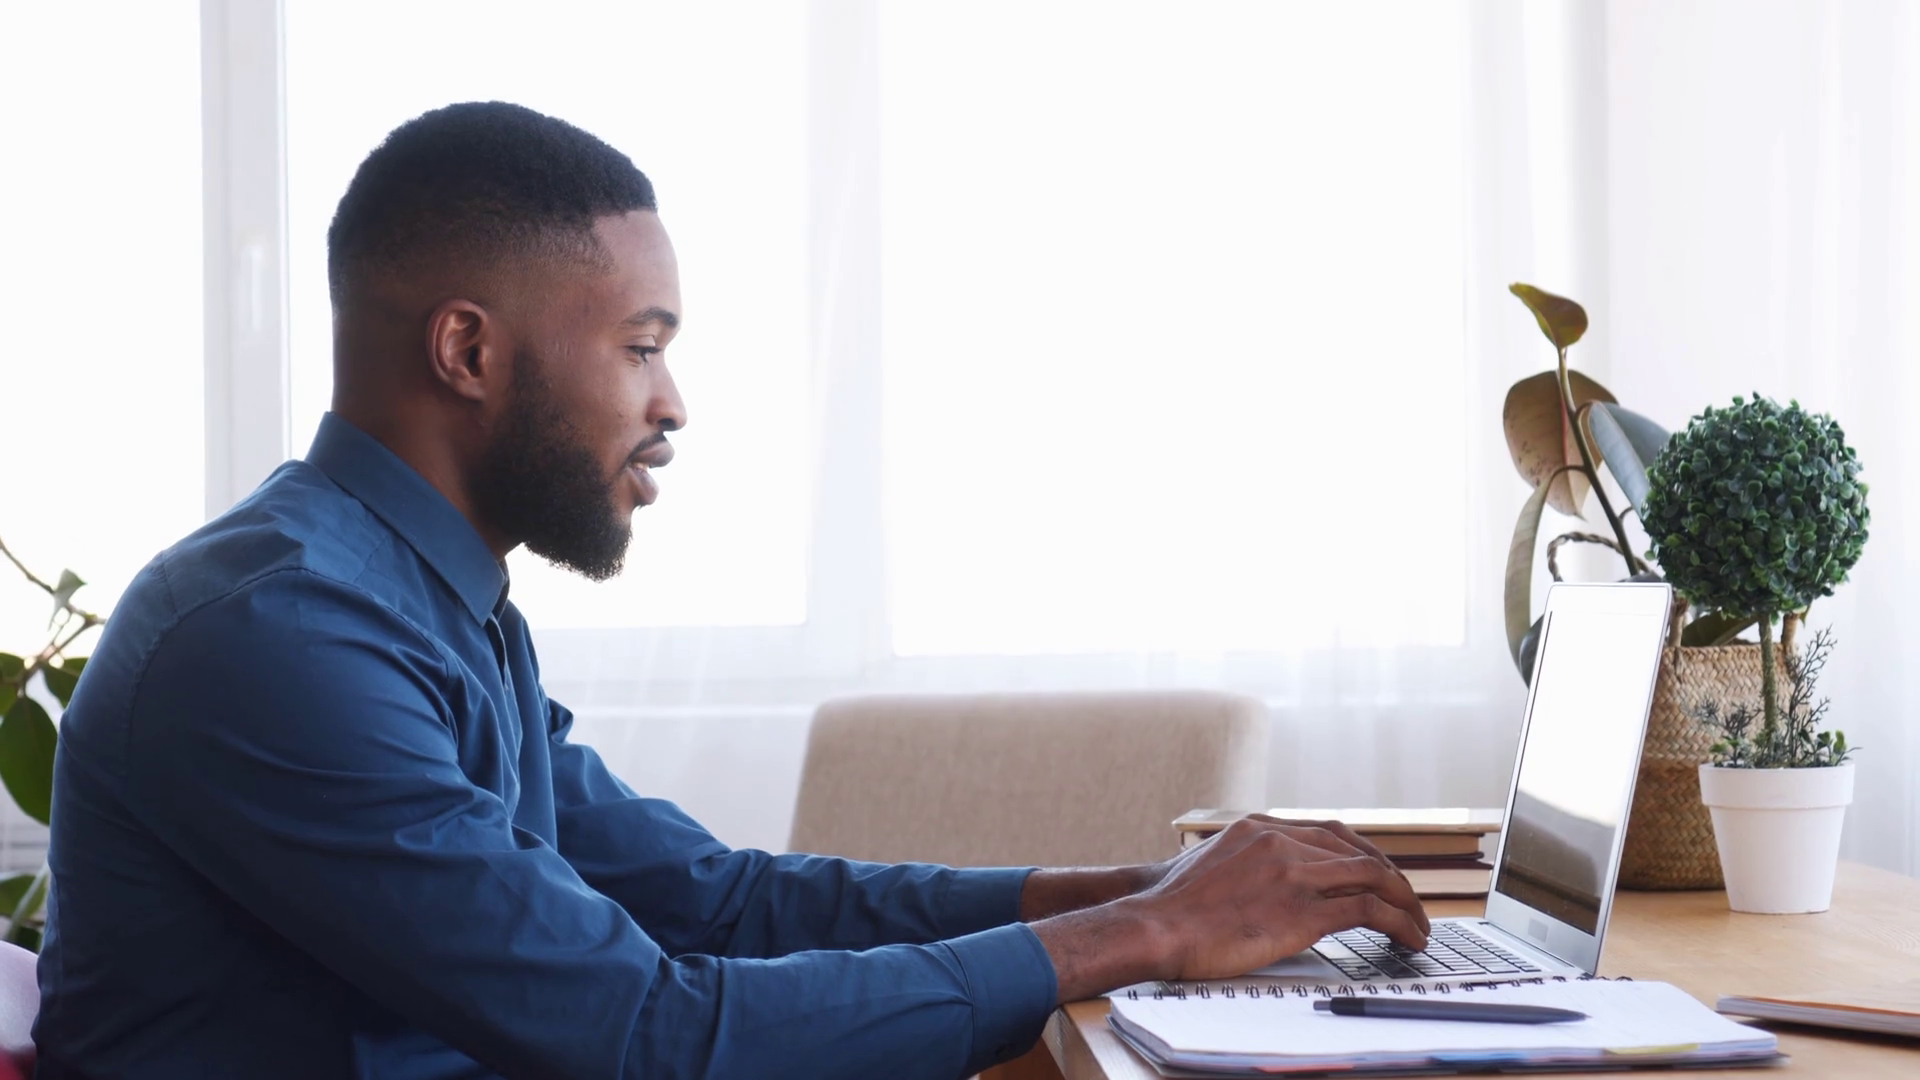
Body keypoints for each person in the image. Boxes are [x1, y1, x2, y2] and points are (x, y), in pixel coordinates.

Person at [35, 102, 1428, 1079]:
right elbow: (643, 1033)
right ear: (468, 349)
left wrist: (1145, 885)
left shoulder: (421, 606)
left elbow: (712, 902)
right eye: (641, 347)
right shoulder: (279, 639)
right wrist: (1155, 935)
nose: (674, 402)